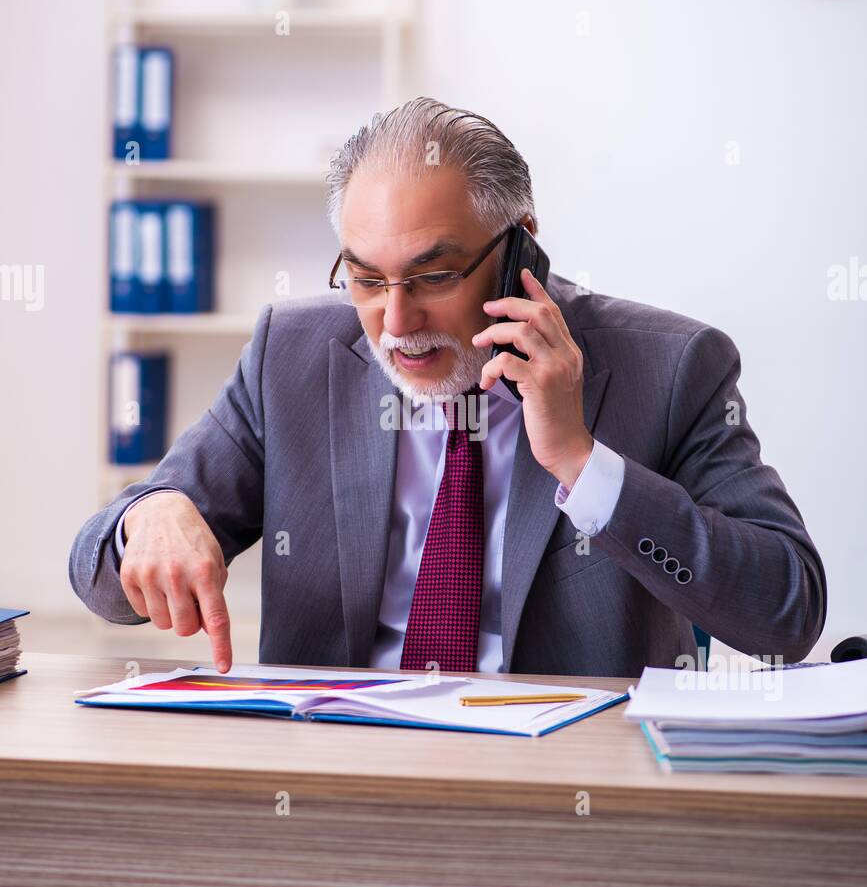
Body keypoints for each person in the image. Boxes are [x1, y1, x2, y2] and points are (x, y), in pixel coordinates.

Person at [69, 97, 826, 677]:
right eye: (364, 277)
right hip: (335, 778)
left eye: (433, 275)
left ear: (519, 242)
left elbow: (786, 613)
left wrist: (580, 460)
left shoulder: (671, 367)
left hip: (563, 794)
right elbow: (98, 582)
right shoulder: (293, 356)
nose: (394, 320)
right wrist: (151, 514)